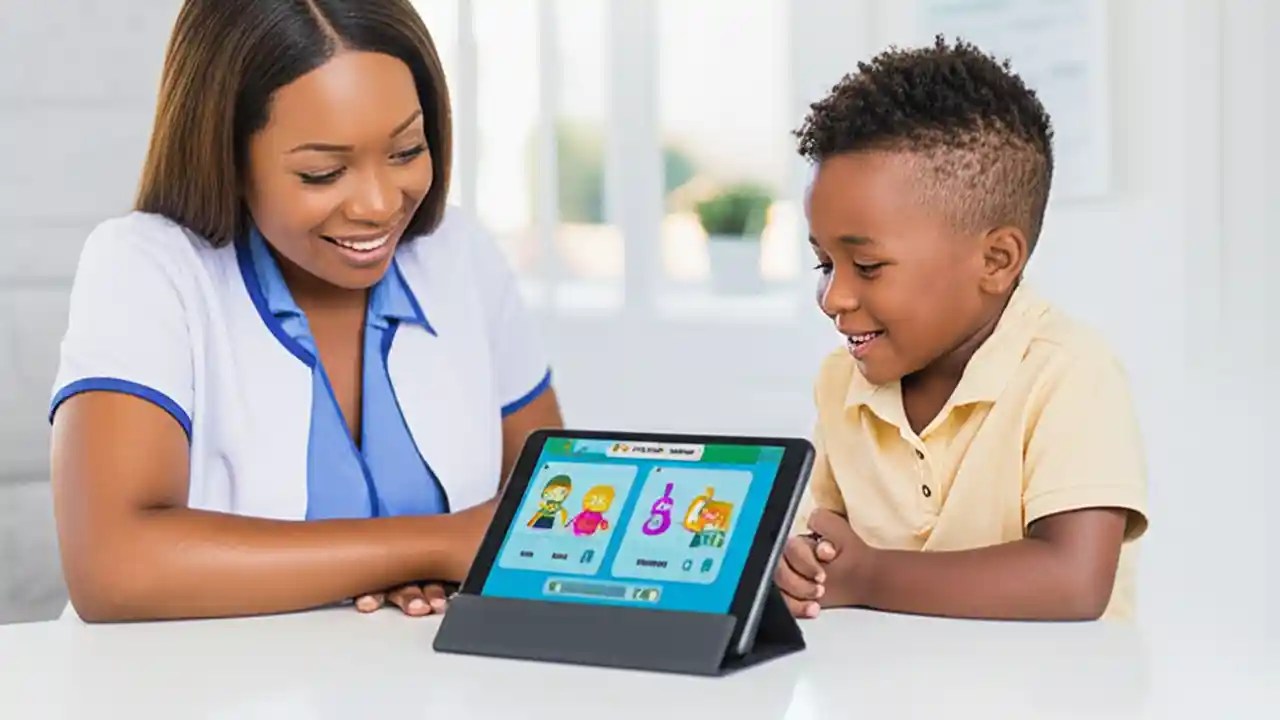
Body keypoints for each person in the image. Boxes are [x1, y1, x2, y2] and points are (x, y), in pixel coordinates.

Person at [47, 0, 563, 622]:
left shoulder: (461, 255)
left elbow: (550, 506)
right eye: (324, 172)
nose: (379, 204)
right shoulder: (147, 267)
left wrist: (400, 563)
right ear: (228, 156)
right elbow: (115, 568)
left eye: (405, 151)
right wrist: (436, 545)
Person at [775, 37, 1148, 622]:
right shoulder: (842, 383)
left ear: (996, 261)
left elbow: (1073, 581)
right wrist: (801, 564)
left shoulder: (1068, 372)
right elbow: (825, 544)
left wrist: (870, 575)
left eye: (867, 266)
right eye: (824, 264)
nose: (833, 297)